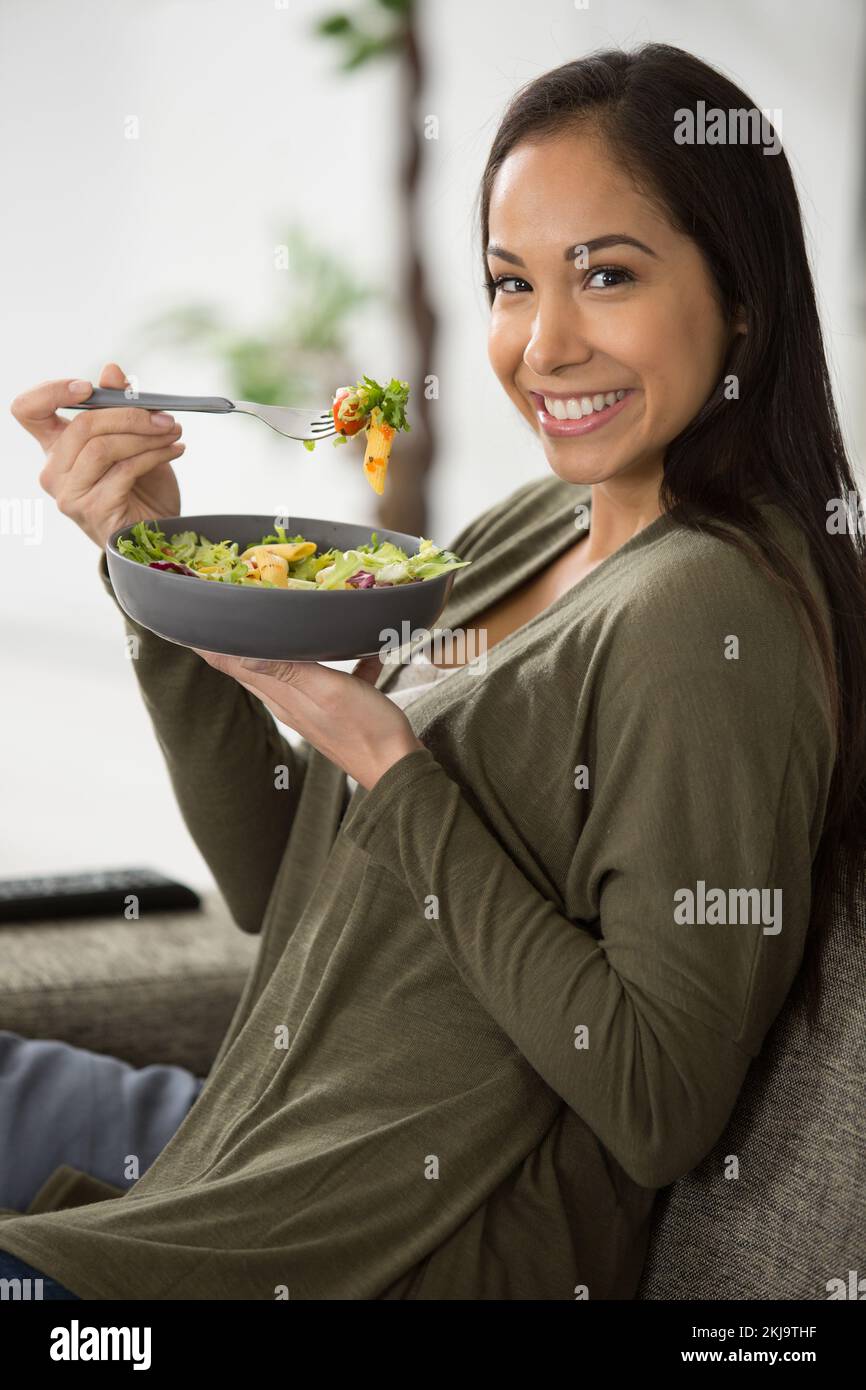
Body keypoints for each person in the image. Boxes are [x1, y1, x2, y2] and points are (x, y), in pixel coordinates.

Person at [2, 42, 864, 1301]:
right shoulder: (532, 524)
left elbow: (659, 1105)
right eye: (511, 285)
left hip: (380, 1253)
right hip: (247, 1158)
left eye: (605, 276)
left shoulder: (706, 611)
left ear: (742, 299)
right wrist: (155, 573)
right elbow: (275, 882)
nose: (543, 344)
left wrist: (393, 765)